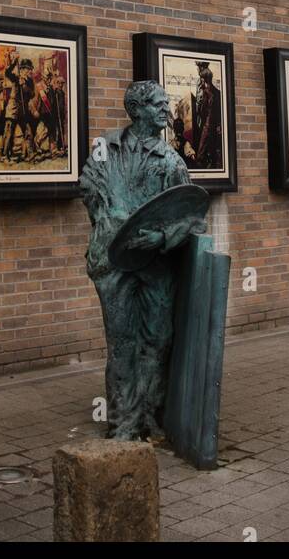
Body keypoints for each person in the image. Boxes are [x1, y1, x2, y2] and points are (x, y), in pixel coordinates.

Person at [79, 80, 198, 442]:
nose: (166, 109)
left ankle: (150, 415)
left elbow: (191, 215)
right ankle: (123, 422)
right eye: (159, 104)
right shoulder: (104, 148)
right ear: (138, 110)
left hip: (156, 265)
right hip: (114, 262)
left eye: (166, 103)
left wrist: (162, 238)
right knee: (121, 343)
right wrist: (109, 213)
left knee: (157, 341)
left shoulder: (173, 161)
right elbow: (88, 185)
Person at [191, 62, 222, 173]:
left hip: (208, 126)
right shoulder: (216, 93)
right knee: (213, 152)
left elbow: (202, 111)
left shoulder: (208, 93)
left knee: (201, 153)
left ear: (204, 80)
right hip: (212, 126)